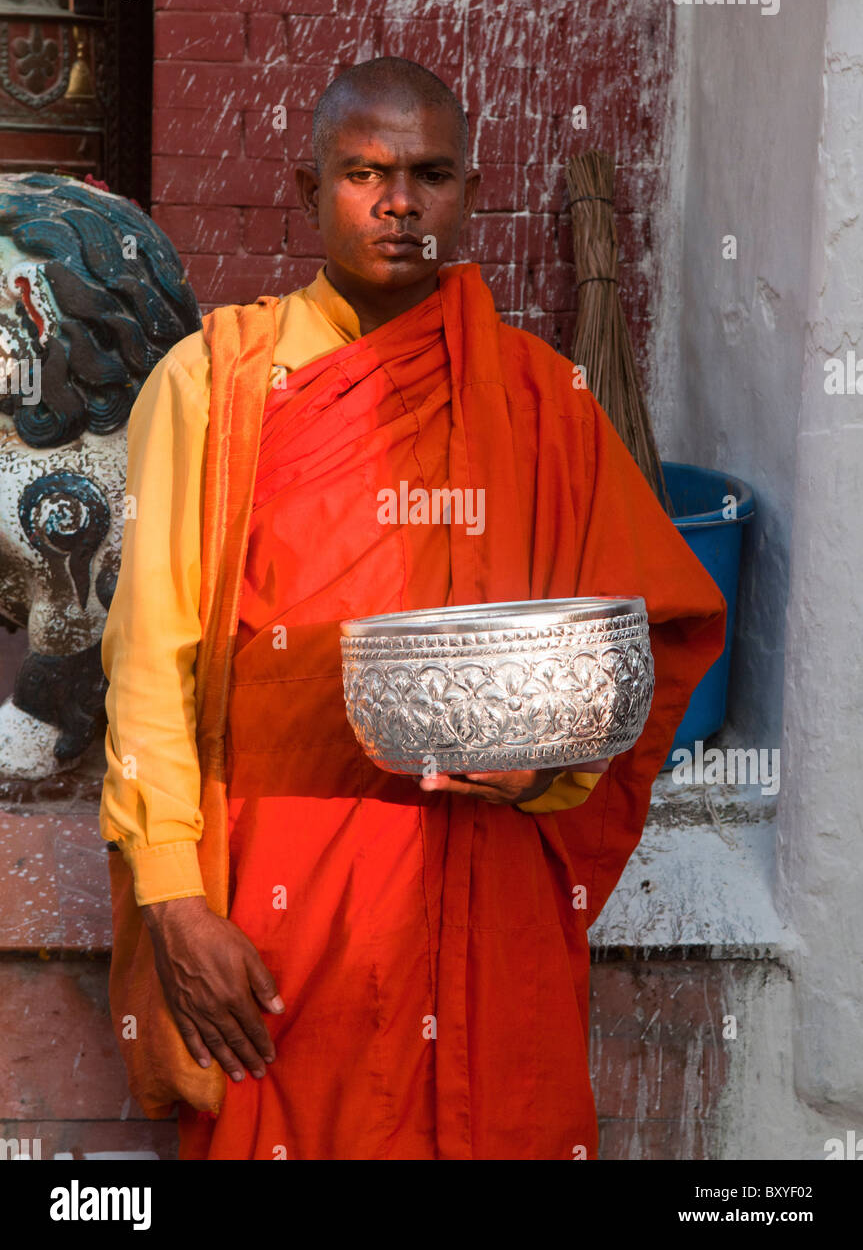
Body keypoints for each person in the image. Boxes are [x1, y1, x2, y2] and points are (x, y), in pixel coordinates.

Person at [100, 56, 726, 1160]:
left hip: (486, 888)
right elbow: (154, 656)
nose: (398, 204)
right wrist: (174, 898)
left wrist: (550, 773)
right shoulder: (216, 385)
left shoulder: (540, 398)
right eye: (363, 174)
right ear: (307, 191)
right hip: (281, 897)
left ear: (469, 192)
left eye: (430, 174)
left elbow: (656, 625)